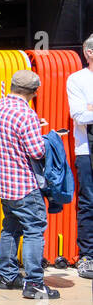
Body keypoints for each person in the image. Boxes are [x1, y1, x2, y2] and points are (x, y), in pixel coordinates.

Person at [0, 69, 59, 300]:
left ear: (12, 86)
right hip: (24, 185)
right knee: (34, 230)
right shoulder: (26, 115)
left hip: (3, 184)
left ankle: (7, 277)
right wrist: (44, 134)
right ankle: (34, 283)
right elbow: (37, 151)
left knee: (10, 227)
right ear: (34, 92)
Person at [66, 35, 93, 279]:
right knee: (89, 202)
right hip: (86, 151)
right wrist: (86, 111)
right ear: (89, 53)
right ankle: (88, 256)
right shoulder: (77, 79)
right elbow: (79, 115)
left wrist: (90, 107)